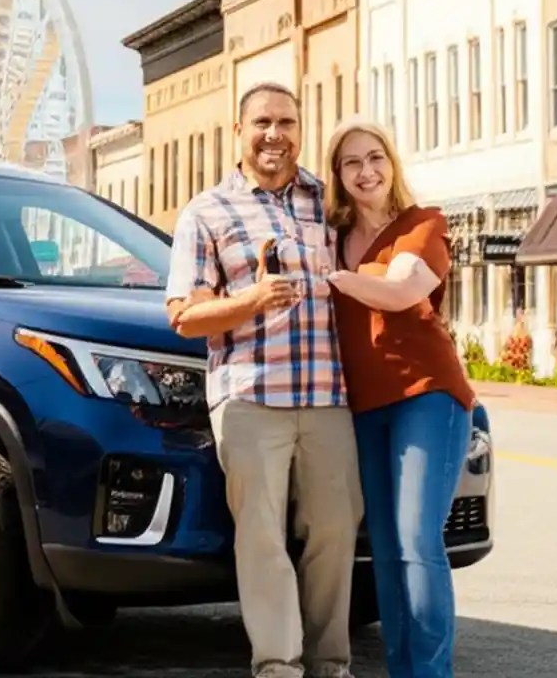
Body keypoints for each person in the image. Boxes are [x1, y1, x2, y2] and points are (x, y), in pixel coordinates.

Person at [165, 82, 363, 678]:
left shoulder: (331, 204)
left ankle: (332, 663)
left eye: (287, 121)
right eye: (262, 123)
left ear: (301, 129)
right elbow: (183, 315)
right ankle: (278, 663)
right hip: (251, 396)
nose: (275, 134)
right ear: (239, 132)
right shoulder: (206, 212)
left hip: (329, 395)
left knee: (335, 529)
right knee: (262, 536)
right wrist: (252, 300)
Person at [322, 116, 475, 678]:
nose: (367, 171)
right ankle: (400, 669)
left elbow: (402, 290)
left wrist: (333, 278)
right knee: (385, 552)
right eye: (352, 162)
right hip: (366, 407)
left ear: (393, 164)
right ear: (338, 175)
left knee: (416, 541)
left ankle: (430, 674)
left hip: (426, 395)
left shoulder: (421, 224)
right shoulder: (331, 236)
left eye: (376, 157)